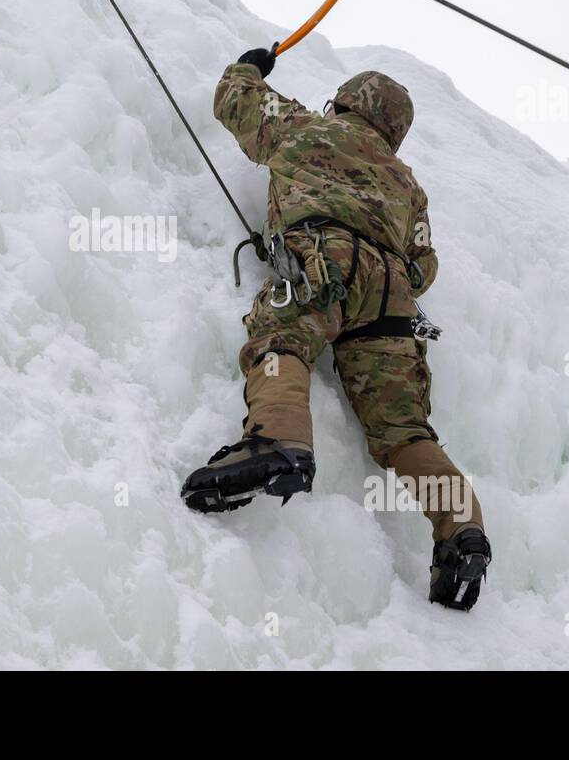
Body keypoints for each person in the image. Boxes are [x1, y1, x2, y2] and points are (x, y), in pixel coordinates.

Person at [180, 45, 492, 610]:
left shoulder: (304, 129)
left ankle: (276, 439)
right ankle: (461, 530)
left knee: (282, 337)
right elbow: (424, 265)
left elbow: (234, 99)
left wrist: (252, 65)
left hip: (320, 253)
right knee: (403, 429)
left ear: (345, 101)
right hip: (391, 296)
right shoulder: (407, 184)